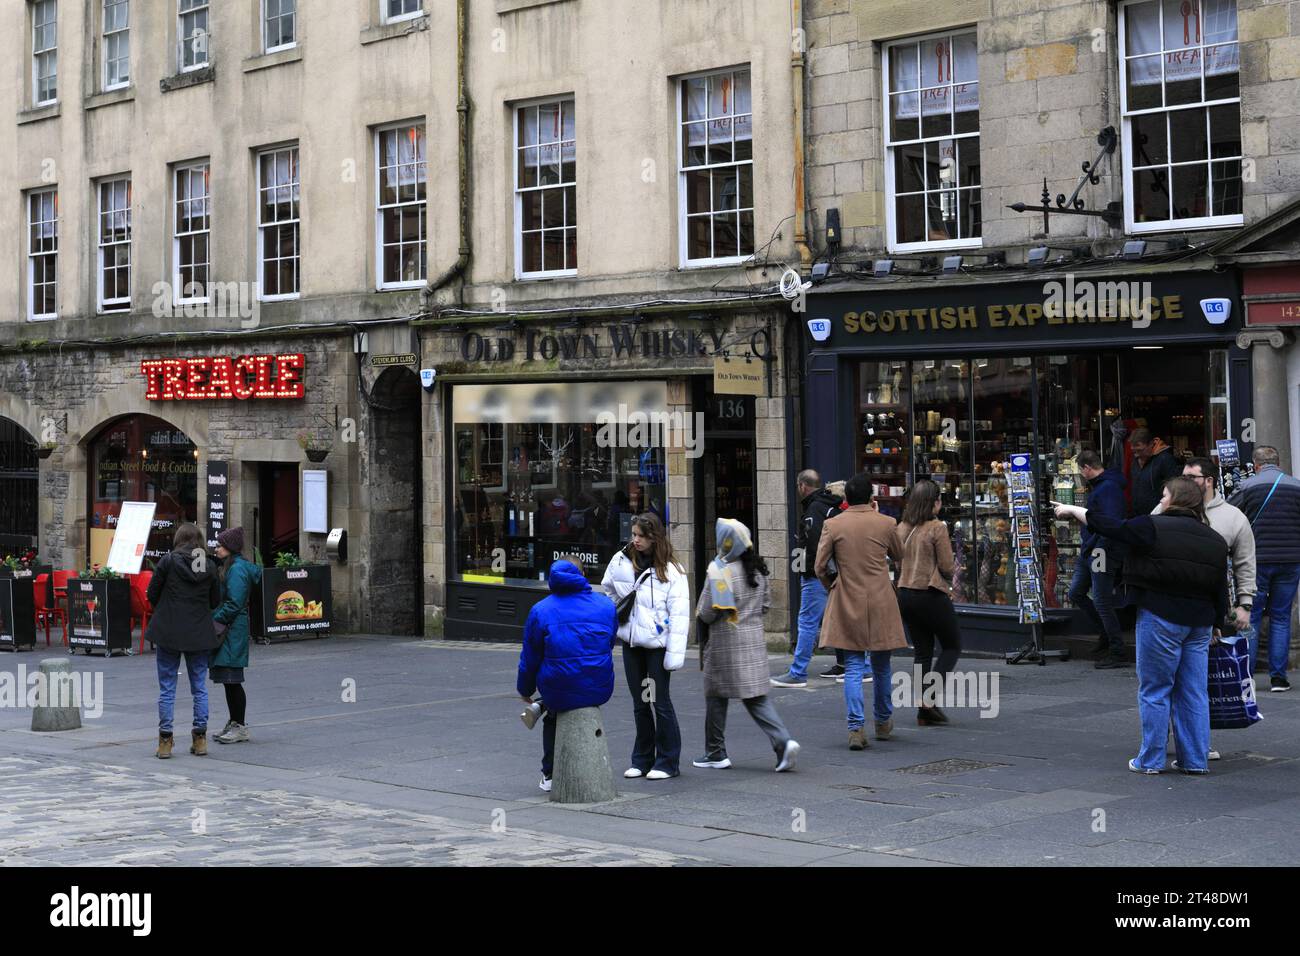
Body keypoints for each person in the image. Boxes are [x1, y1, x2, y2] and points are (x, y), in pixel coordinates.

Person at [1055, 477, 1229, 774]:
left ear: (1174, 500)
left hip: (1161, 616)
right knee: (1194, 692)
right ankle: (1196, 760)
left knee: (1156, 689)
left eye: (1164, 496)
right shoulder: (1214, 538)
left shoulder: (1152, 527)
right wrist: (1217, 622)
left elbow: (1111, 526)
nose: (1160, 501)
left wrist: (1072, 509)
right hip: (1199, 623)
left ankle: (1150, 760)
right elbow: (1219, 586)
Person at [694, 518, 800, 772]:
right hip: (753, 642)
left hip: (724, 644)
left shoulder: (720, 571)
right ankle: (782, 741)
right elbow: (765, 606)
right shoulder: (758, 571)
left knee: (716, 696)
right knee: (756, 698)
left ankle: (715, 751)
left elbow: (707, 612)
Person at [813, 473, 907, 751]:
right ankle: (883, 721)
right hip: (880, 598)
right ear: (871, 498)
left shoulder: (833, 524)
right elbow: (900, 555)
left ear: (846, 498)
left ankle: (856, 727)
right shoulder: (886, 523)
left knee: (853, 666)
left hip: (847, 596)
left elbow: (819, 566)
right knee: (881, 665)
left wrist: (832, 586)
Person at [600, 512, 688, 779]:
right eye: (634, 535)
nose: (635, 540)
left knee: (660, 702)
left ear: (654, 538)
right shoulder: (621, 560)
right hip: (632, 642)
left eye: (641, 536)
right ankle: (641, 759)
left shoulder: (672, 571)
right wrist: (625, 613)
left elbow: (680, 615)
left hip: (657, 644)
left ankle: (667, 761)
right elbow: (608, 588)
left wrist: (674, 653)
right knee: (640, 703)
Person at [517, 560, 617, 792]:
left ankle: (549, 773)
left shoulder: (540, 610)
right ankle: (545, 705)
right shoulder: (605, 605)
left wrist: (525, 690)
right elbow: (609, 643)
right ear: (582, 575)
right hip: (599, 684)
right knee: (575, 673)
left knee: (554, 708)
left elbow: (530, 658)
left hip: (558, 689)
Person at [1179, 457, 1256, 760]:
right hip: (1173, 607)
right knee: (1171, 681)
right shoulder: (1169, 509)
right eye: (1182, 477)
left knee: (1203, 680)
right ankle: (1178, 735)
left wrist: (1245, 604)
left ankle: (1199, 740)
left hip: (1215, 606)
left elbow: (1245, 563)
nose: (1183, 482)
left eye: (1191, 477)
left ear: (1208, 480)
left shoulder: (1232, 517)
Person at [772, 470, 864, 687]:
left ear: (803, 486)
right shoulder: (828, 505)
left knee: (807, 622)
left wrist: (820, 572)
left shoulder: (814, 508)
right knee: (841, 620)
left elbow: (815, 545)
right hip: (837, 573)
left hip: (817, 576)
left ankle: (798, 672)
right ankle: (852, 665)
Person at [146, 522, 222, 759]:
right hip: (198, 633)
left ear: (178, 539)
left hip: (169, 630)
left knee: (167, 688)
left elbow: (152, 593)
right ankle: (200, 739)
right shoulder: (208, 565)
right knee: (199, 687)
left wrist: (168, 609)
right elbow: (215, 600)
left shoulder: (168, 561)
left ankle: (165, 742)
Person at [1228, 445, 1299, 691]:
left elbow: (1230, 514)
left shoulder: (1247, 487)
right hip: (1290, 560)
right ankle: (1278, 678)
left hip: (1256, 560)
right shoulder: (1296, 486)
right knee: (1281, 616)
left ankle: (1243, 674)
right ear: (1279, 463)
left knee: (1251, 614)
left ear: (1256, 465)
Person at [895, 479, 961, 724]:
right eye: (939, 500)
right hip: (930, 592)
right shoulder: (937, 527)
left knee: (922, 652)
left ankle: (924, 711)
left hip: (905, 593)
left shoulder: (902, 527)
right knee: (952, 646)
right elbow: (946, 565)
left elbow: (895, 560)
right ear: (933, 503)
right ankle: (928, 699)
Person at [1071, 450, 1129, 668]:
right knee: (1076, 592)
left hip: (1100, 549)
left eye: (1080, 470)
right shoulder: (1104, 486)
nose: (1081, 474)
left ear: (1087, 468)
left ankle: (1117, 650)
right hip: (1093, 548)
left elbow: (1110, 522)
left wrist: (1096, 544)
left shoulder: (1107, 488)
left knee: (1101, 599)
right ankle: (1106, 634)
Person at [210, 527, 259, 744]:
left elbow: (234, 602)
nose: (216, 548)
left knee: (232, 678)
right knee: (228, 679)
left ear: (229, 548)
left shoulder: (237, 569)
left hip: (232, 629)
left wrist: (216, 619)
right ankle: (234, 722)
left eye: (220, 545)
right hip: (231, 627)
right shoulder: (232, 566)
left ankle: (239, 725)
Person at [1129, 428, 1182, 517]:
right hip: (1138, 515)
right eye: (1134, 451)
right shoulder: (1136, 460)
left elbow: (1174, 489)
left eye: (1140, 450)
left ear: (1151, 444)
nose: (1136, 454)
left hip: (1159, 515)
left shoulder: (1165, 459)